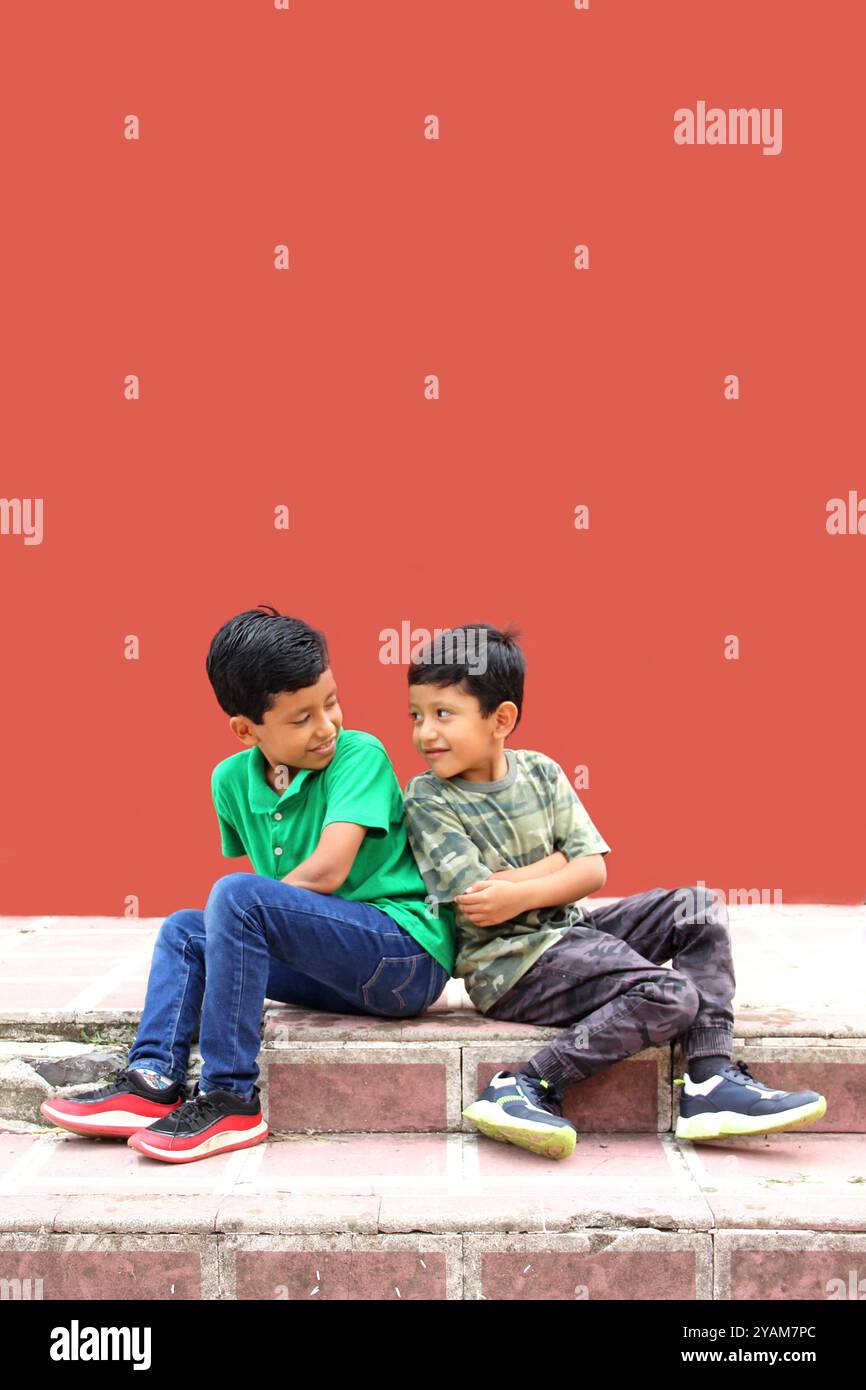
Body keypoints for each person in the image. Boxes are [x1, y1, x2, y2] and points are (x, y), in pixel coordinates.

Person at [40, 606, 453, 1163]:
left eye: (330, 701)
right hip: (330, 966)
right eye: (300, 717)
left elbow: (329, 871)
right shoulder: (229, 781)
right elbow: (270, 907)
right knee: (187, 930)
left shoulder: (360, 754)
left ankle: (230, 1097)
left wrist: (247, 909)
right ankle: (152, 1079)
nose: (326, 725)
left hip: (402, 961)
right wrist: (245, 915)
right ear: (245, 729)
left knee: (235, 896)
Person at [403, 622, 827, 1160]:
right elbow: (479, 901)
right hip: (510, 968)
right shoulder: (427, 796)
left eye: (444, 714)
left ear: (500, 719)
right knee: (668, 994)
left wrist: (538, 880)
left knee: (696, 907)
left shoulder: (542, 773)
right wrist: (558, 865)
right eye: (416, 716)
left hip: (570, 933)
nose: (425, 733)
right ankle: (526, 1086)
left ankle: (709, 1080)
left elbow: (593, 872)